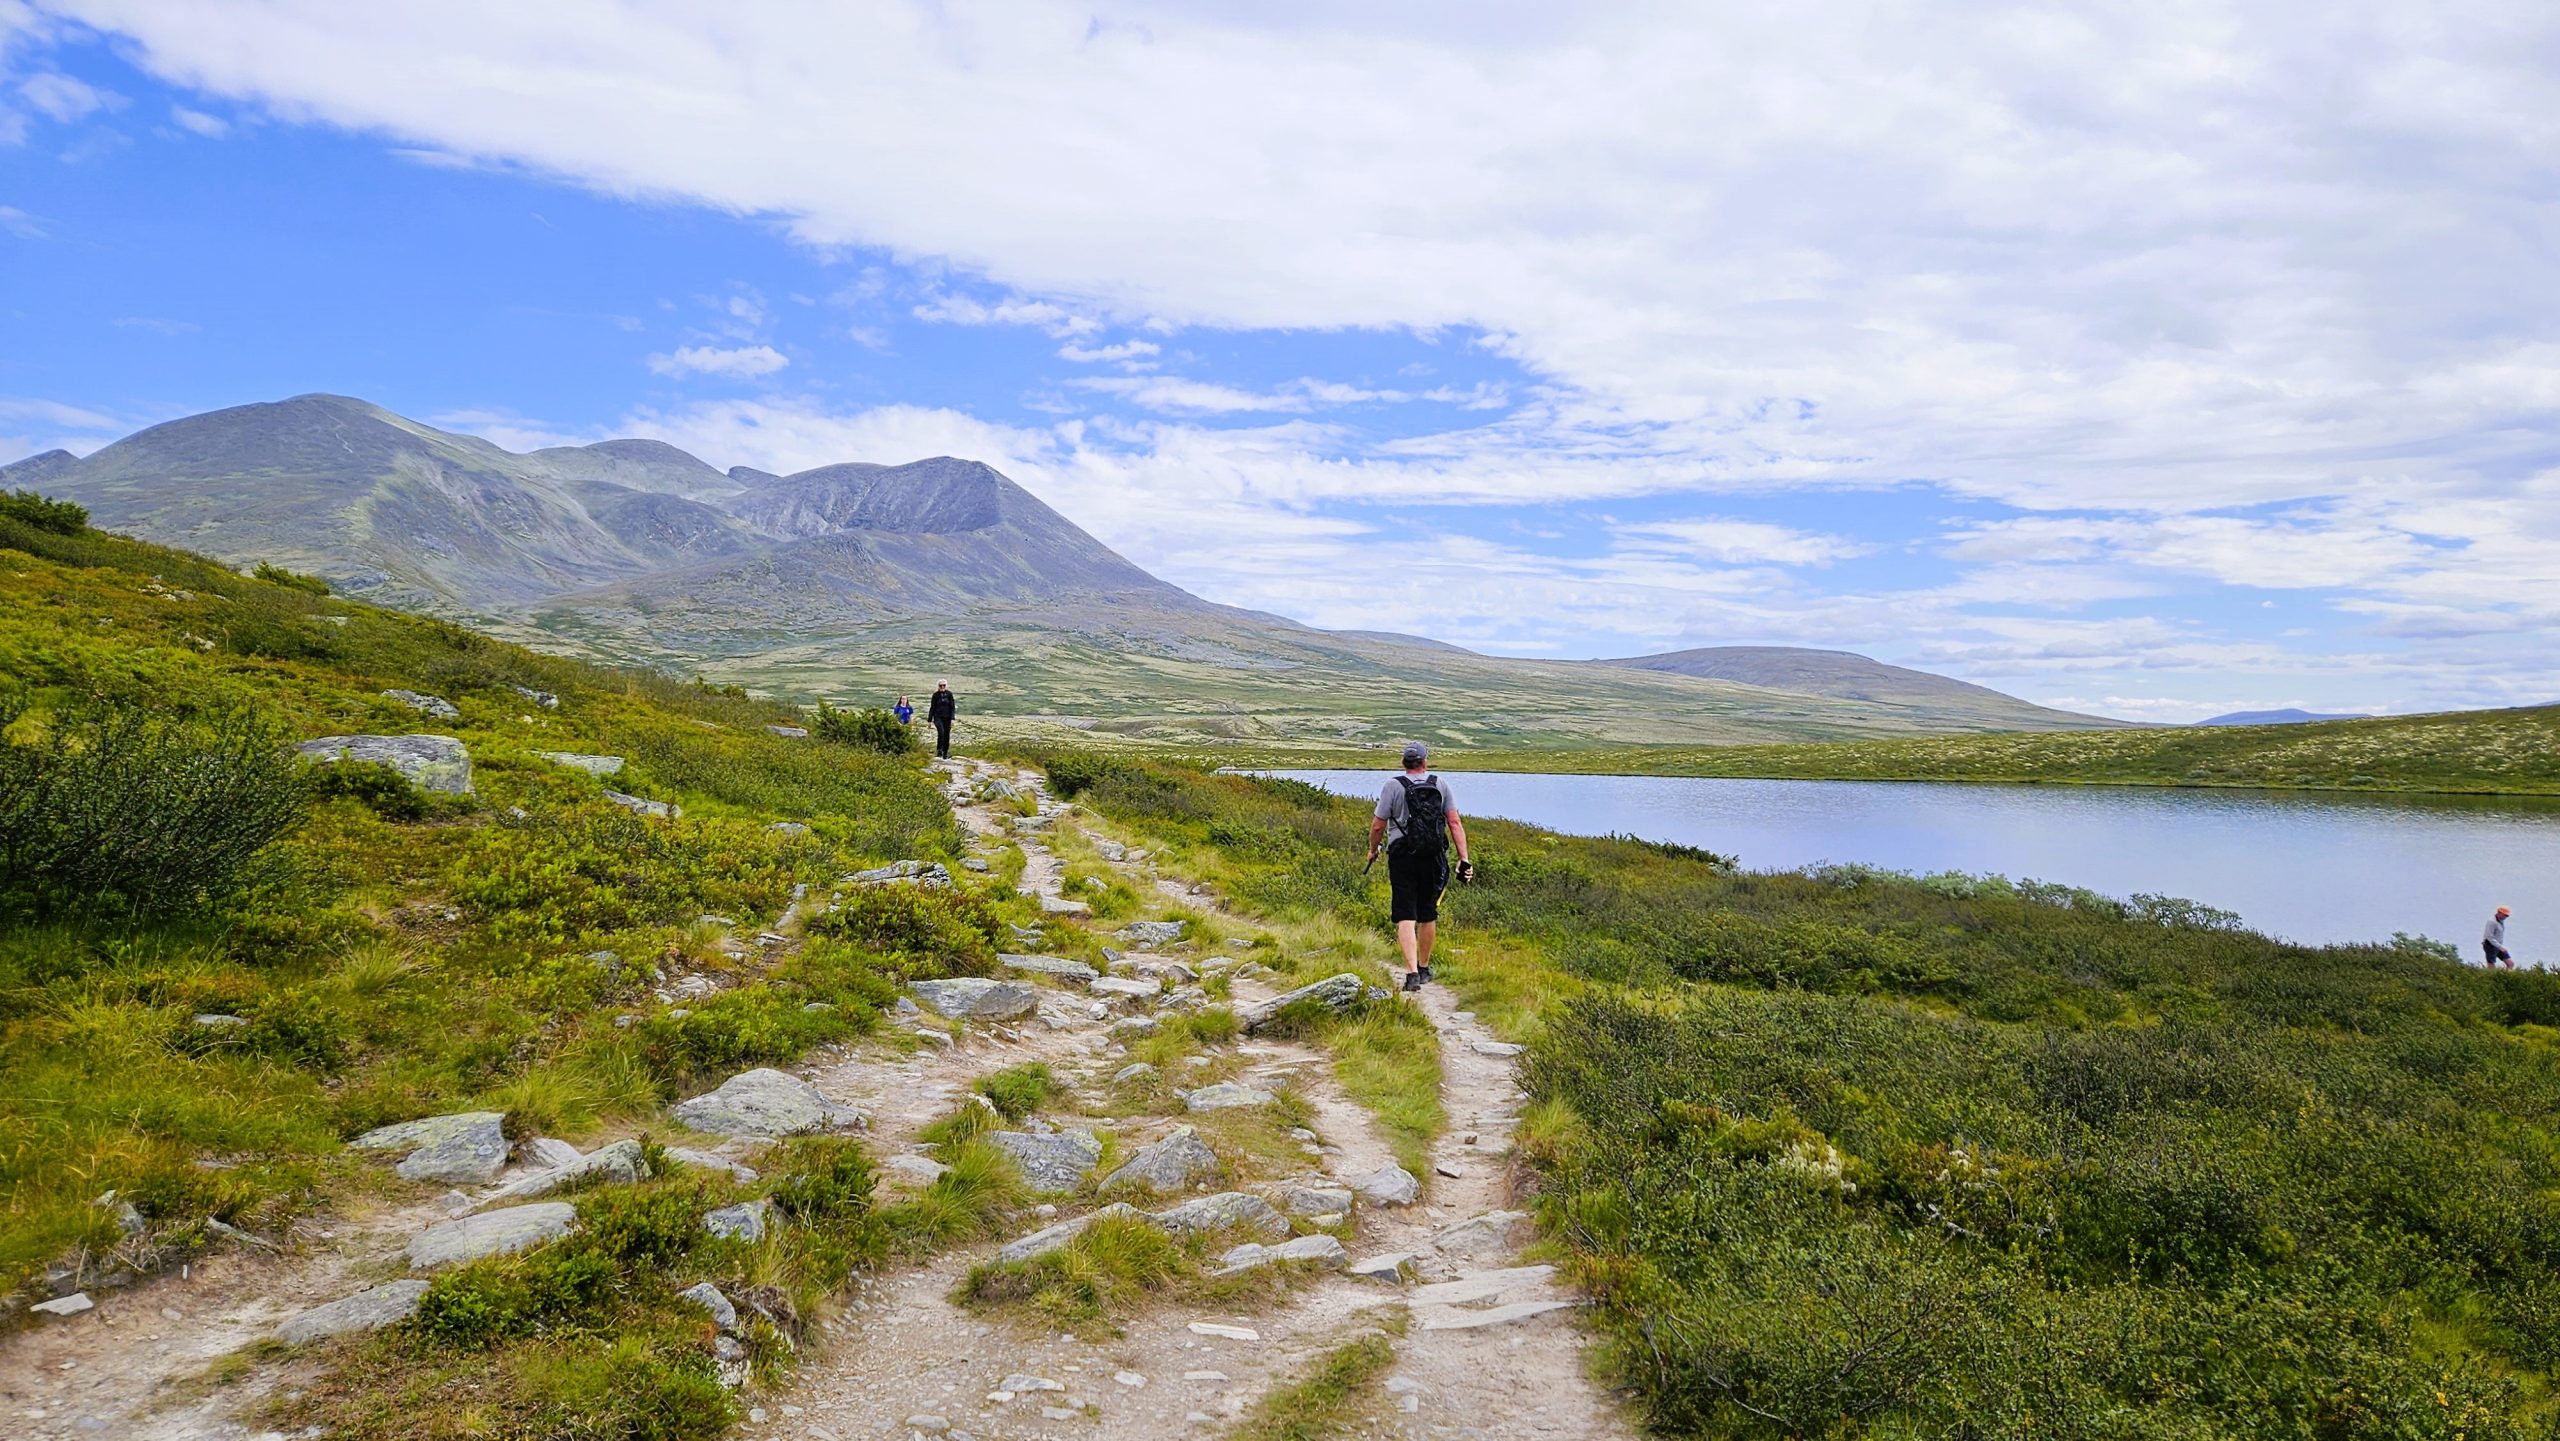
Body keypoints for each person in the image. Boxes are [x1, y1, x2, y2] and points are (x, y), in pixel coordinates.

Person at [1366, 742, 1473, 993]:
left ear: (1403, 763)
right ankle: (1424, 968)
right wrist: (1463, 857)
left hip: (1402, 854)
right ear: (1425, 762)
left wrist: (1373, 849)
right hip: (1434, 854)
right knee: (1428, 913)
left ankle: (1412, 974)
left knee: (1405, 914)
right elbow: (1454, 823)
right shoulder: (1440, 784)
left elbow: (1378, 825)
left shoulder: (1393, 786)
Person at [926, 681, 957, 759]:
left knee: (947, 734)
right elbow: (932, 707)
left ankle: (945, 751)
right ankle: (939, 750)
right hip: (938, 717)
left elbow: (952, 707)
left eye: (944, 685)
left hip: (947, 717)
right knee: (941, 732)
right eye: (941, 685)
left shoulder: (949, 694)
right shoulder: (935, 695)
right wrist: (929, 720)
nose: (942, 687)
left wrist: (952, 718)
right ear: (938, 686)